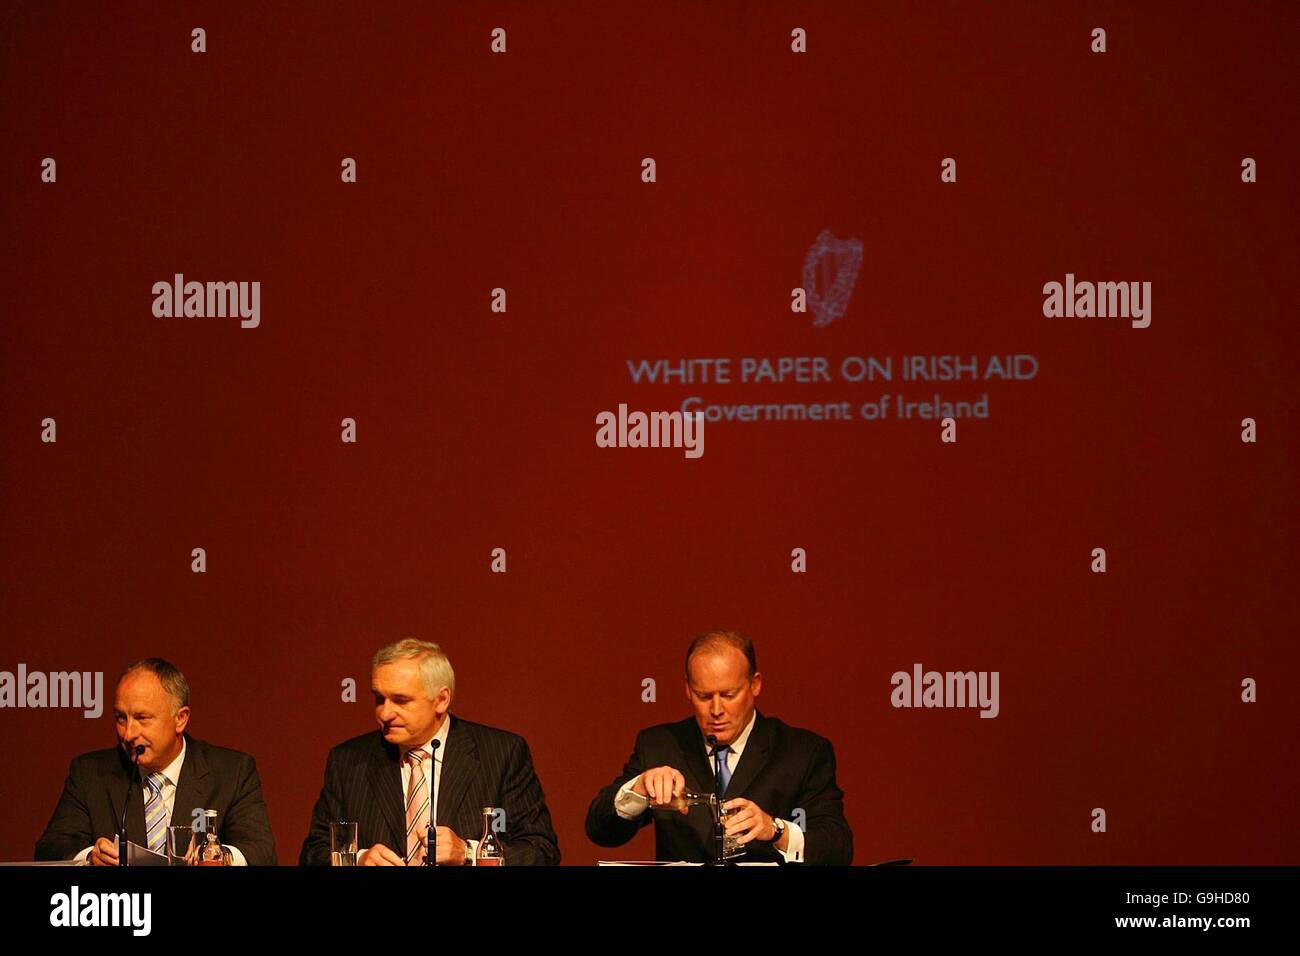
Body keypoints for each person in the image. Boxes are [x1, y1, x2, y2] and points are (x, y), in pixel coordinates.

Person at [586, 630, 853, 864]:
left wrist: (776, 830)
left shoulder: (802, 752)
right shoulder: (659, 745)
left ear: (755, 684)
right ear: (688, 690)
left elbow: (836, 849)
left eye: (728, 695)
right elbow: (600, 831)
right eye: (704, 696)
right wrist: (639, 789)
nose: (716, 710)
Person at [300, 639, 559, 865]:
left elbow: (541, 851)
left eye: (400, 700)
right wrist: (357, 860)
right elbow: (314, 852)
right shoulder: (348, 761)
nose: (384, 713)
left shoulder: (502, 753)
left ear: (441, 700)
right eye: (379, 699)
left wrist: (469, 854)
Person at [35, 657, 277, 865]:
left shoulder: (231, 772)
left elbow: (261, 853)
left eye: (142, 718)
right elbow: (50, 849)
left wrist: (220, 857)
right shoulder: (90, 774)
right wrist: (90, 858)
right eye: (121, 718)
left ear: (180, 719)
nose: (128, 734)